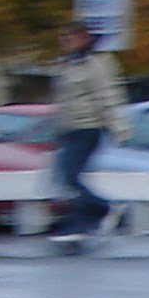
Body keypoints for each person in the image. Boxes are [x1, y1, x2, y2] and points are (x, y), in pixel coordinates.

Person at [48, 18, 129, 250]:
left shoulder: (97, 64)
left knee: (70, 175)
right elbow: (63, 101)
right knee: (65, 177)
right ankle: (80, 223)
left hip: (89, 127)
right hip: (70, 129)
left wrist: (119, 128)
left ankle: (104, 208)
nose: (66, 41)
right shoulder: (66, 65)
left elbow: (109, 96)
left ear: (84, 38)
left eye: (71, 36)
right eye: (63, 37)